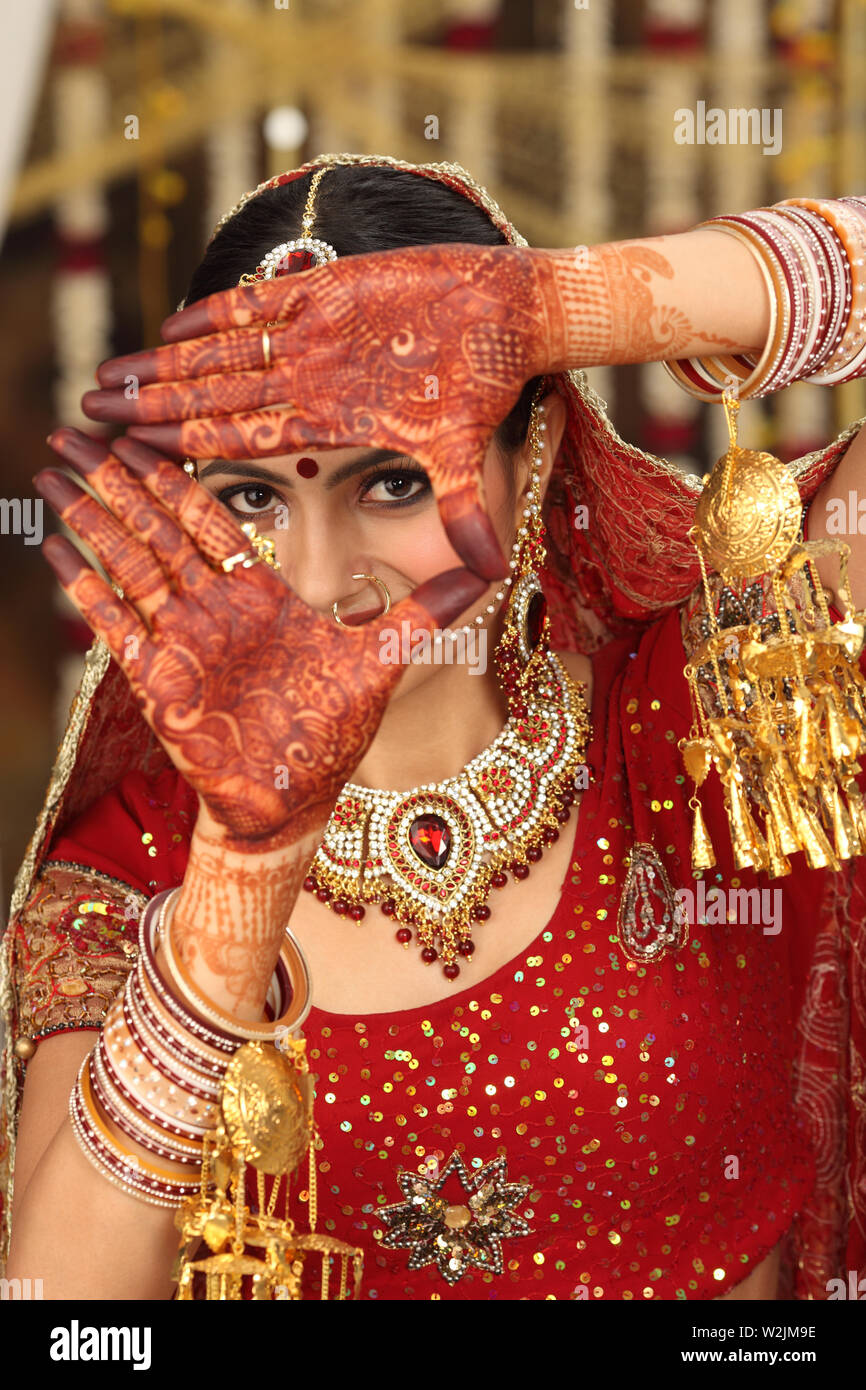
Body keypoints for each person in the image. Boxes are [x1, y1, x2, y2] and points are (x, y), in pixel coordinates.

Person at [2, 154, 866, 1301]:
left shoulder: (702, 715)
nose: (316, 577)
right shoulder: (136, 875)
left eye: (391, 482)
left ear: (534, 452)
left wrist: (560, 308)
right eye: (253, 496)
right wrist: (239, 880)